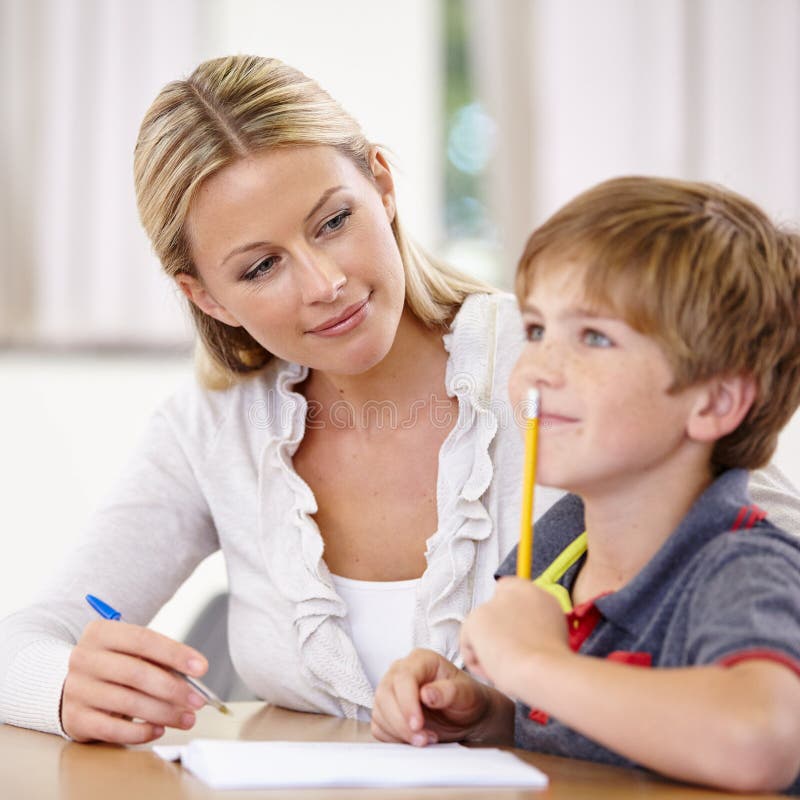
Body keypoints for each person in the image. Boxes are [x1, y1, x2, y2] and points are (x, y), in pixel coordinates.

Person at [0, 55, 796, 749]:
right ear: (205, 297)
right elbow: (24, 641)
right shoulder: (216, 428)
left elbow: (765, 549)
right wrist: (63, 687)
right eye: (259, 268)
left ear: (381, 183)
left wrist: (537, 670)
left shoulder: (549, 370)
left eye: (335, 221)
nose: (325, 284)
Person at [371, 176, 800, 794]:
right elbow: (593, 734)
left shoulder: (743, 569)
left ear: (715, 402)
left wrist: (535, 665)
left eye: (594, 337)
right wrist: (488, 715)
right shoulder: (559, 548)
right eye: (539, 329)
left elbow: (760, 743)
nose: (539, 368)